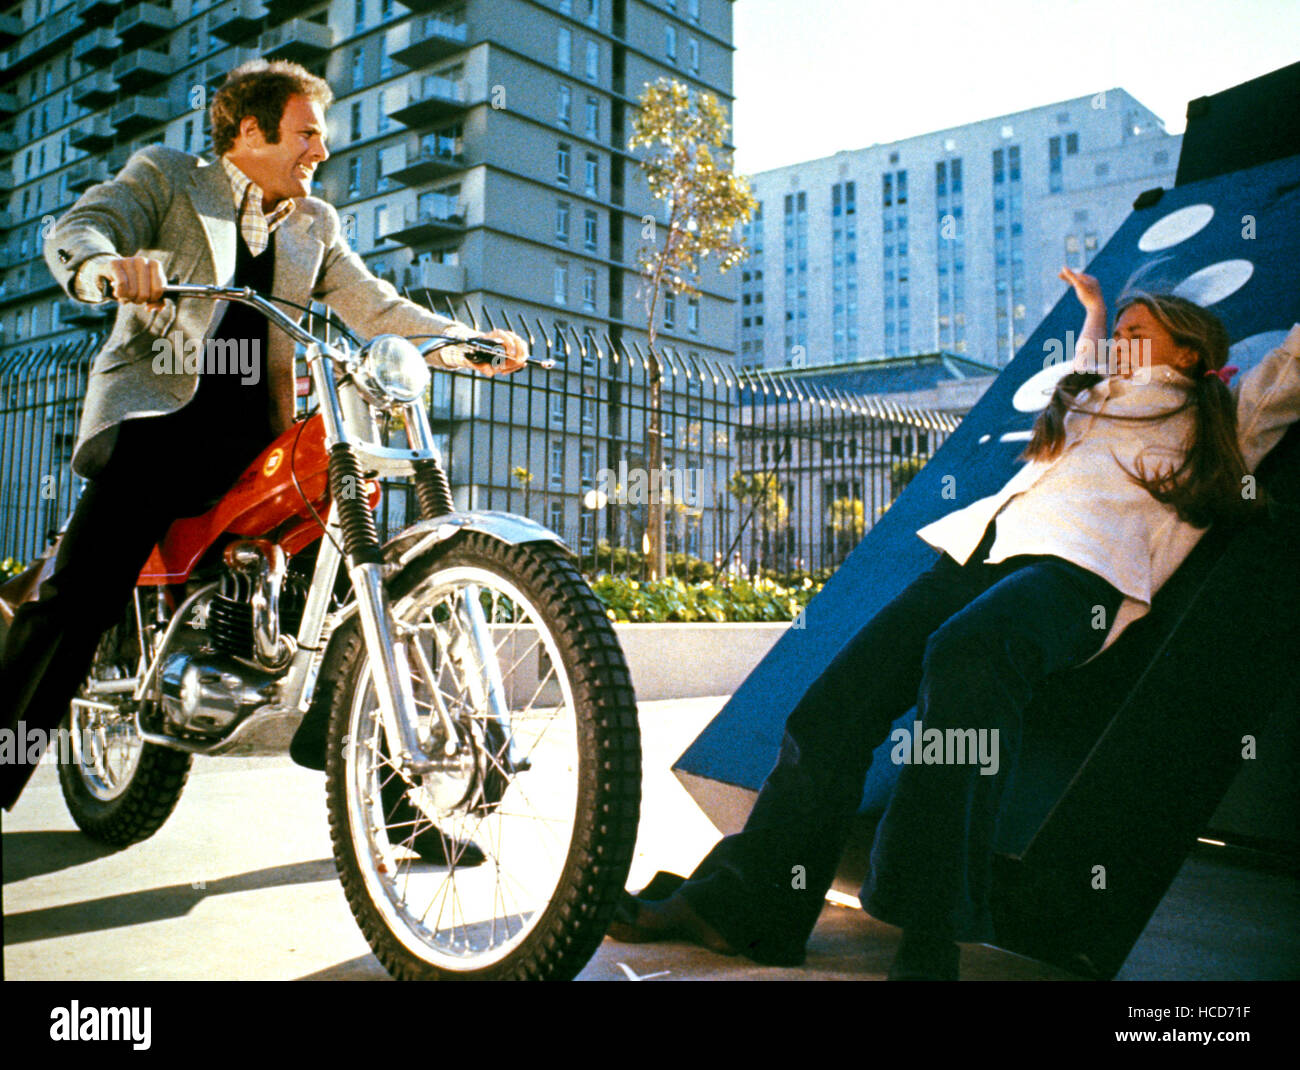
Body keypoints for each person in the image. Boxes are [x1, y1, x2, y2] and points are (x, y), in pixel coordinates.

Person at [608, 268, 1300, 979]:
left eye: (1138, 333)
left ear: (1187, 353)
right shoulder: (1091, 399)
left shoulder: (1222, 415)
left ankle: (930, 932)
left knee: (968, 656)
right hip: (979, 551)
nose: (1119, 344)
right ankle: (743, 910)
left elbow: (1293, 367)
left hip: (1077, 580)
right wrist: (1095, 309)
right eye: (1117, 334)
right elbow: (1089, 355)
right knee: (833, 709)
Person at [0, 59, 528, 811]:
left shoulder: (314, 224)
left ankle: (393, 792)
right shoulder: (170, 177)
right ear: (250, 132)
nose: (320, 151)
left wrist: (460, 341)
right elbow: (85, 225)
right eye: (306, 134)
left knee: (359, 578)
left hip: (256, 438)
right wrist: (106, 268)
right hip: (159, 423)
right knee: (80, 596)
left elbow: (374, 307)